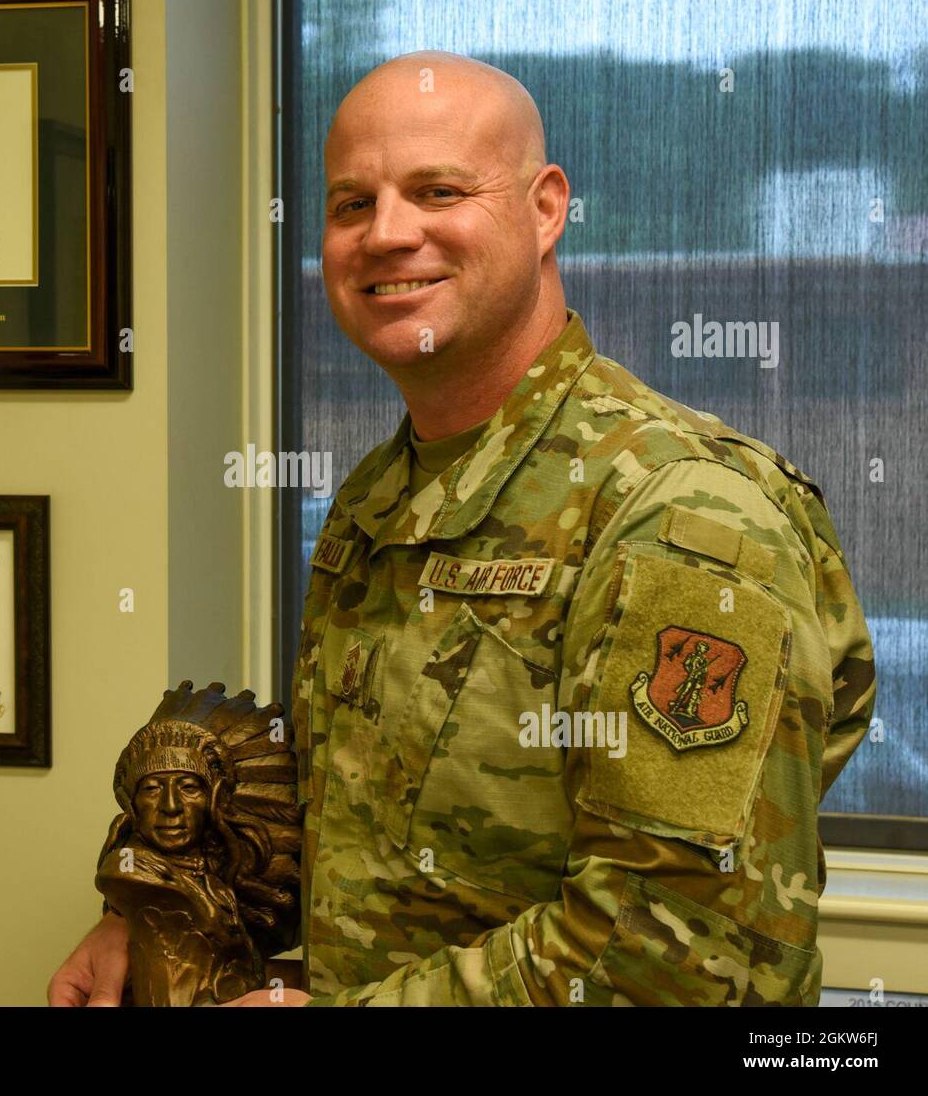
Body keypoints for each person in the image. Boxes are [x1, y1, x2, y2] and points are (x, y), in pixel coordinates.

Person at [49, 51, 875, 1007]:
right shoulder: (382, 498)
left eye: (437, 190)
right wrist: (160, 916)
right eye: (351, 204)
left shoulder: (680, 514)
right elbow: (373, 844)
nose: (387, 234)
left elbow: (678, 954)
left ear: (546, 209)